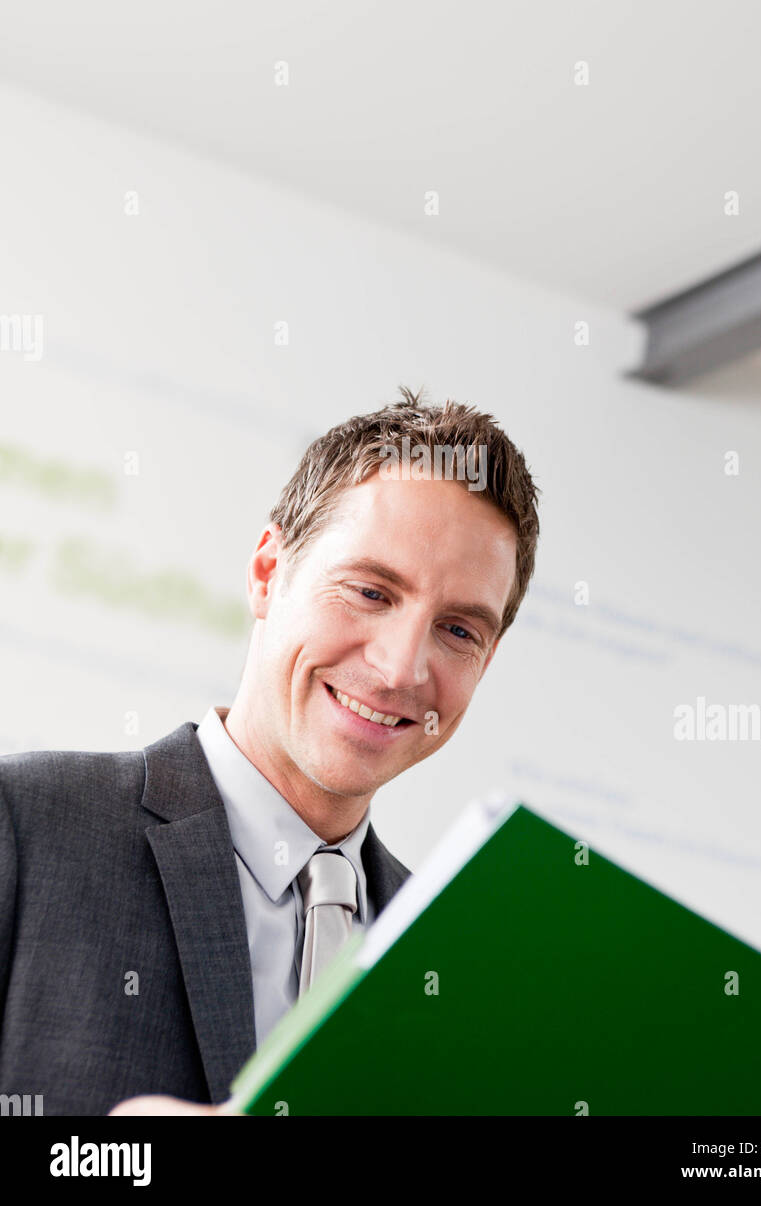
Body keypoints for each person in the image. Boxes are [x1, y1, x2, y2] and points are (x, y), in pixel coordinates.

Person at [0, 386, 540, 1115]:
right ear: (267, 572)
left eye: (458, 630)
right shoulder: (27, 827)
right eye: (373, 592)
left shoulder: (457, 965)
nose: (400, 669)